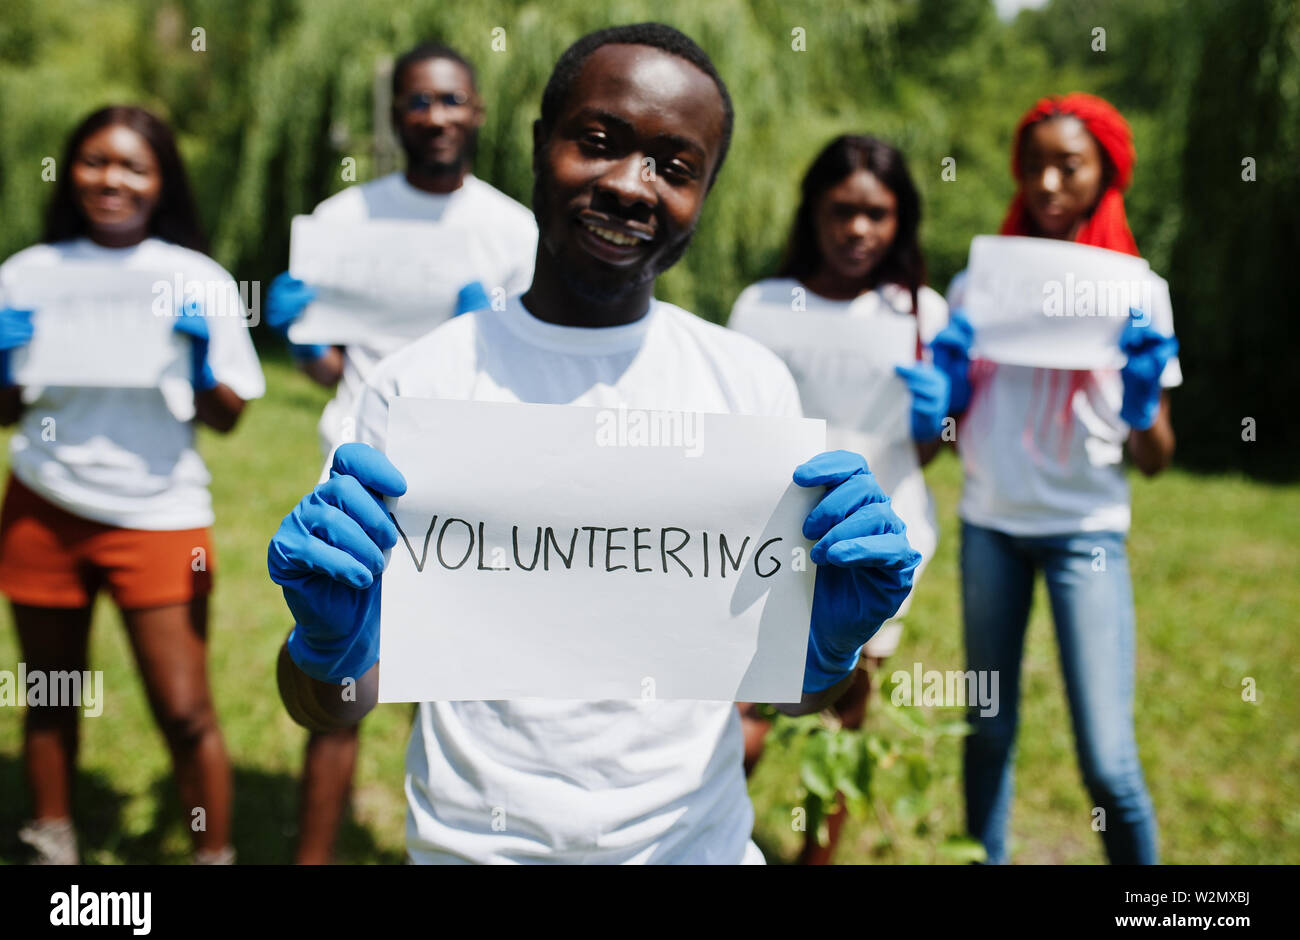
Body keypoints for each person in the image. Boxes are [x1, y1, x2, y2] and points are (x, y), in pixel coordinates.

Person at [267, 22, 921, 864]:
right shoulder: (418, 386)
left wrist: (827, 649)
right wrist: (328, 647)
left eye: (675, 167)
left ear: (706, 191)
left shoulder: (747, 386)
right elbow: (329, 706)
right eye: (599, 142)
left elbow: (792, 694)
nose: (630, 185)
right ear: (541, 144)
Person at [263, 41, 538, 864]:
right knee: (346, 665)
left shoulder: (512, 227)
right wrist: (300, 330)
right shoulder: (346, 220)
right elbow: (328, 363)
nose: (436, 116)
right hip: (362, 461)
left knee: (451, 680)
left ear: (478, 111)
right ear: (397, 115)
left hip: (469, 470)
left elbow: (529, 372)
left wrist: (478, 332)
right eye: (418, 102)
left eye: (452, 100)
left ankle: (447, 841)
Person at [0, 106, 265, 864]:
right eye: (93, 161)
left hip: (158, 515)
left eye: (132, 166)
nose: (110, 179)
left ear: (161, 182)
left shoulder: (195, 279)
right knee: (50, 694)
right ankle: (52, 837)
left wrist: (200, 363)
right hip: (43, 503)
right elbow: (5, 410)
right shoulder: (27, 274)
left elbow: (228, 418)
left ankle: (212, 851)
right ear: (70, 170)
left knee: (184, 709)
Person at [933, 93, 1179, 864]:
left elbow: (1156, 457)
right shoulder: (981, 285)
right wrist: (947, 391)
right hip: (992, 525)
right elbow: (943, 436)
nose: (1046, 183)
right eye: (1032, 165)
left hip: (1086, 534)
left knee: (1108, 759)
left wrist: (1143, 399)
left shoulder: (1138, 290)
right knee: (988, 728)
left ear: (1104, 171)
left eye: (1067, 166)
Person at [727, 134, 949, 864]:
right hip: (771, 539)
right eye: (842, 210)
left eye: (878, 214)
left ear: (900, 220)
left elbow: (925, 449)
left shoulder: (922, 311)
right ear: (813, 212)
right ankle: (703, 833)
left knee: (845, 717)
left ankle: (816, 857)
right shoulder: (761, 305)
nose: (859, 230)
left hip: (881, 542)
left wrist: (937, 421)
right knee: (744, 710)